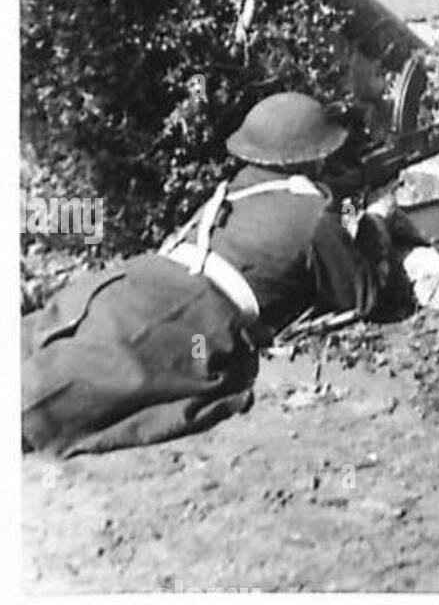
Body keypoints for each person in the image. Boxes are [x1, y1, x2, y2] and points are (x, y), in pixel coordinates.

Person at [22, 92, 392, 458]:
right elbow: (362, 297)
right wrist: (376, 222)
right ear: (317, 153)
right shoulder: (315, 214)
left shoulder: (241, 184)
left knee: (40, 338)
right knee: (54, 396)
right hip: (188, 317)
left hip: (137, 281)